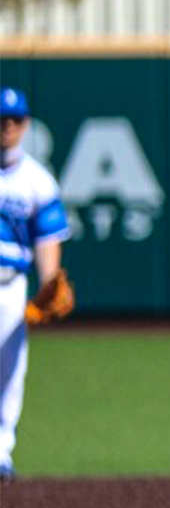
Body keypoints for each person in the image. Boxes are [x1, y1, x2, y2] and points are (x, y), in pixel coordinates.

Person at [0, 87, 73, 483]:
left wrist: (48, 285)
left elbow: (48, 240)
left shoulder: (37, 180)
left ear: (25, 124)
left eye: (14, 119)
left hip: (9, 285)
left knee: (9, 372)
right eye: (1, 118)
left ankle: (1, 453)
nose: (7, 126)